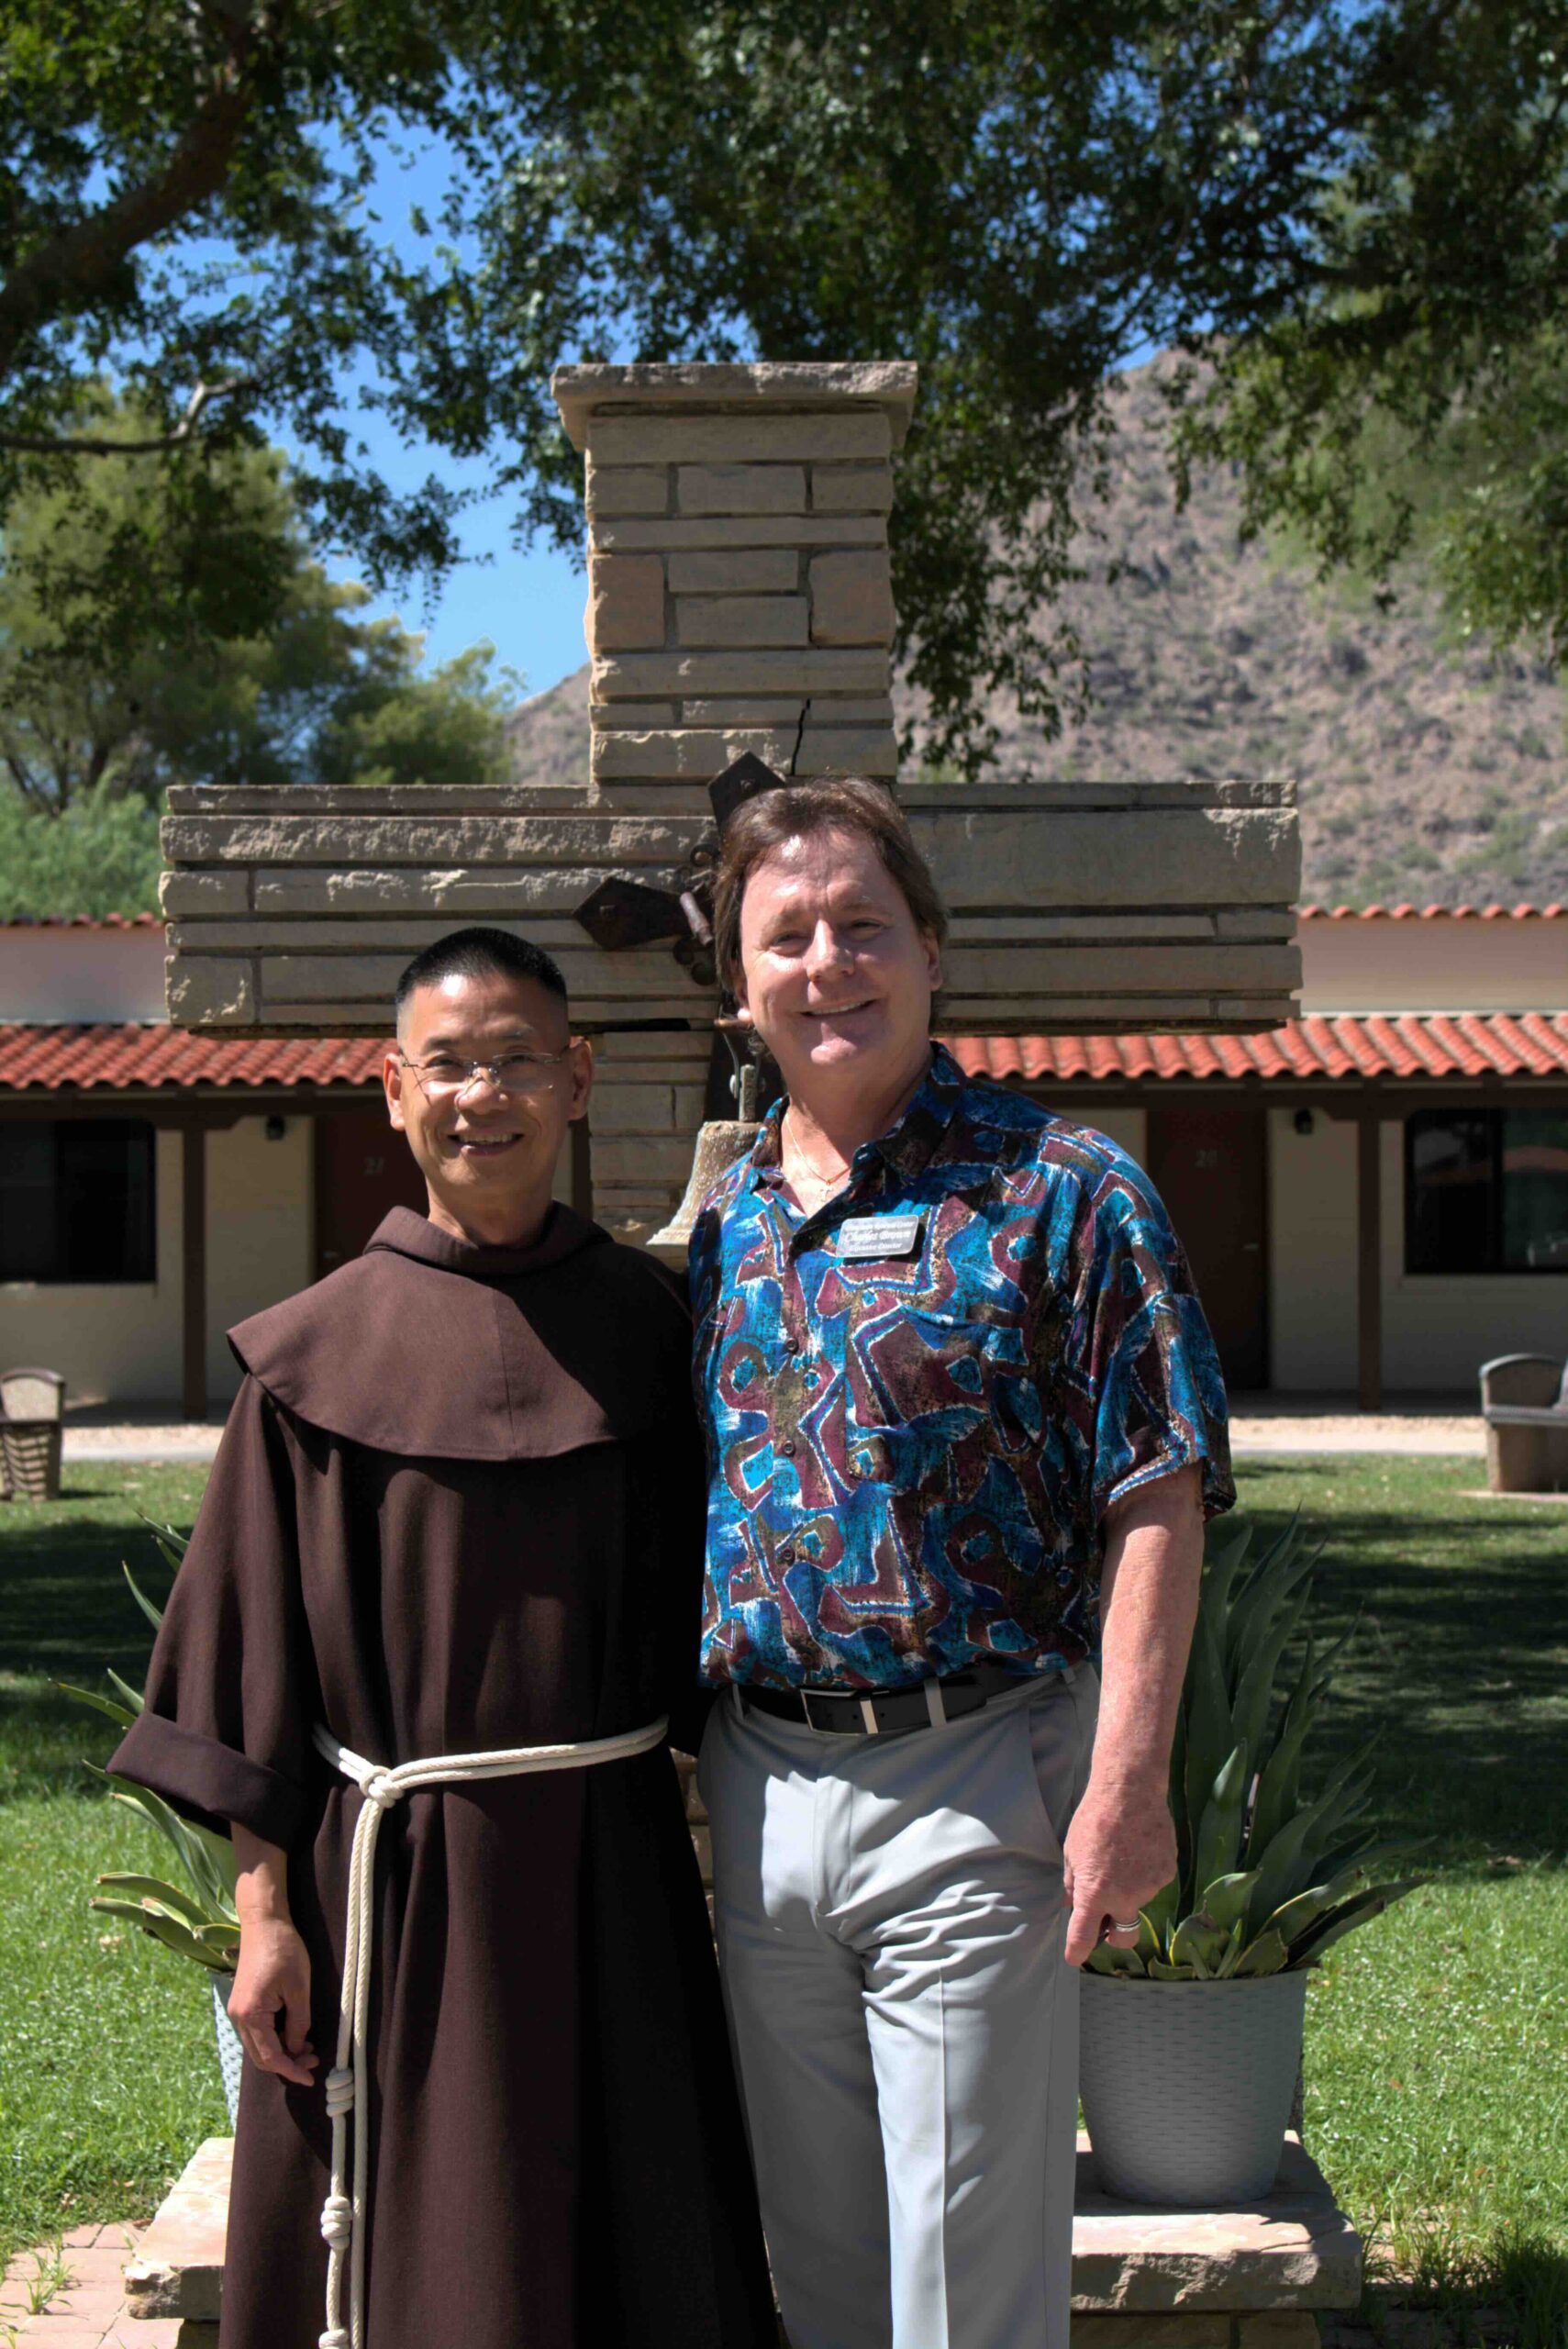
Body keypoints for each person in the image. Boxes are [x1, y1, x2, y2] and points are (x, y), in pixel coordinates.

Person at [110, 927, 775, 2349]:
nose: (487, 1095)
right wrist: (265, 1919)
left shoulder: (659, 1332)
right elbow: (248, 1668)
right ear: (394, 1092)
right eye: (451, 1065)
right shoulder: (308, 1361)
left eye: (519, 1060)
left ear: (578, 1080)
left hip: (613, 1871)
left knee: (635, 2245)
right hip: (395, 1890)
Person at [689, 780, 1235, 2349]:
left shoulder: (1061, 1189)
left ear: (930, 951)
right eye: (785, 936)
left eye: (863, 925)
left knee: (964, 2288)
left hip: (976, 1779)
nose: (826, 963)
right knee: (820, 2275)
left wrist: (1126, 1788)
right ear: (742, 986)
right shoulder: (728, 1221)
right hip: (762, 1783)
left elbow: (1159, 1490)